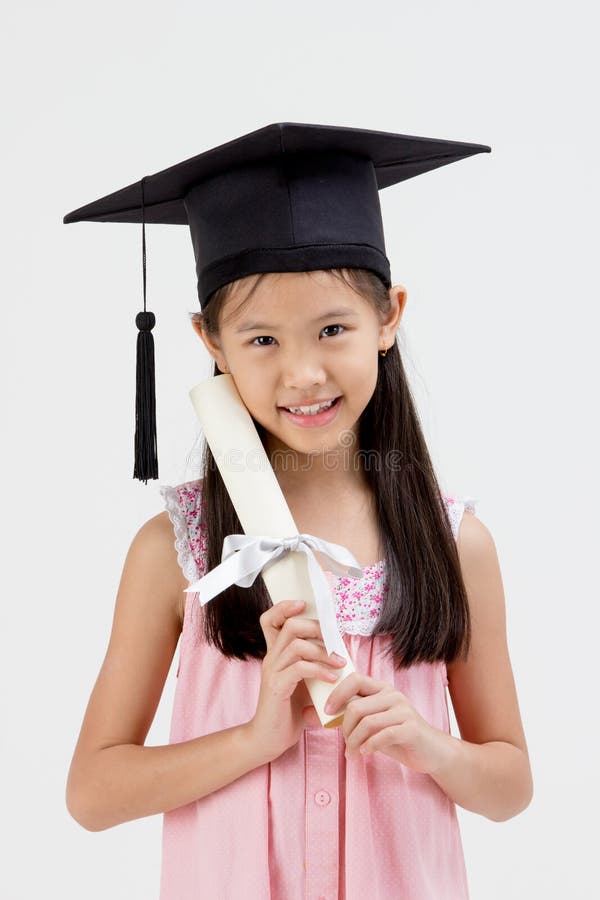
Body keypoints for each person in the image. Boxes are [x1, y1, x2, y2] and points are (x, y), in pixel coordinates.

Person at [64, 122, 533, 899]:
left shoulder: (454, 545)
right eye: (262, 340)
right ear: (210, 342)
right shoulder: (178, 552)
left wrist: (427, 745)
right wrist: (254, 740)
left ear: (389, 318)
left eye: (333, 328)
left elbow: (510, 784)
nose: (304, 372)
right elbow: (92, 792)